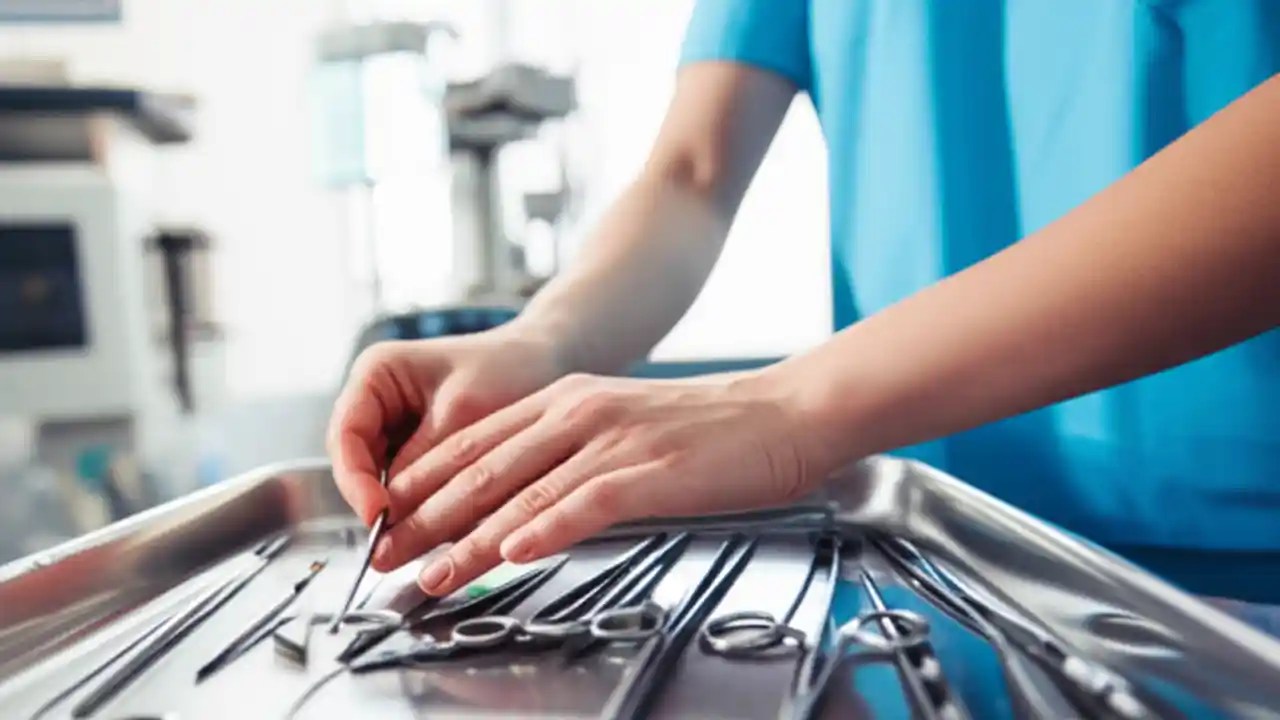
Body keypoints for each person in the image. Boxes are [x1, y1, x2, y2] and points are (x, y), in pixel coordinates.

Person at [328, 1, 1280, 603]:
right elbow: (693, 173)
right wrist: (542, 340)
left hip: (1242, 551)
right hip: (930, 546)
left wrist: (792, 405)